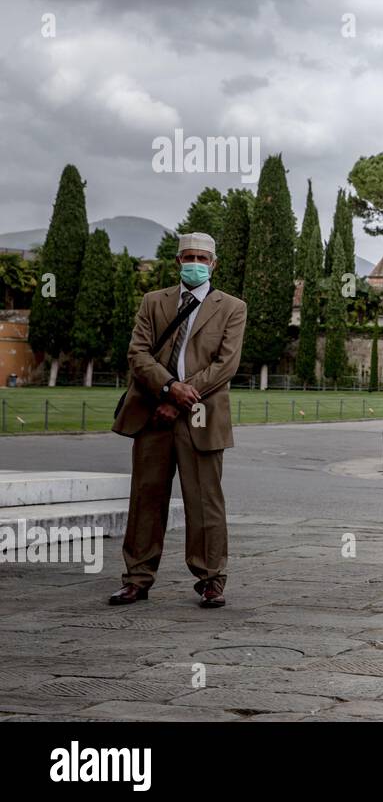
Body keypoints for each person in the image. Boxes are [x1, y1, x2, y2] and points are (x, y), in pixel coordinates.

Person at [109, 232, 246, 608]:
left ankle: (211, 578)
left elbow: (225, 364)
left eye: (203, 258)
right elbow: (137, 354)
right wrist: (168, 388)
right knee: (145, 498)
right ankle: (137, 577)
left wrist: (183, 395)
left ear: (214, 264)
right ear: (177, 261)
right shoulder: (154, 302)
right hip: (153, 410)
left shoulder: (232, 307)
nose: (196, 263)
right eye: (189, 257)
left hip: (201, 412)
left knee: (205, 501)